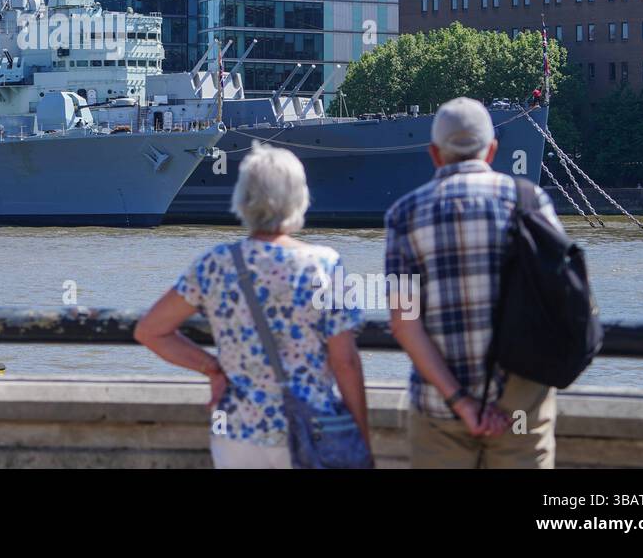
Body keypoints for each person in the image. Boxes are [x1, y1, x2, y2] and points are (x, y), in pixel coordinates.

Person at [135, 141, 370, 468]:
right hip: (310, 431)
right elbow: (345, 361)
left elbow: (150, 330)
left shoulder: (215, 264)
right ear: (300, 199)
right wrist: (362, 436)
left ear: (242, 199)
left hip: (237, 435)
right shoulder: (325, 265)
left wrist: (211, 367)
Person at [385, 96, 564, 468]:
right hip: (520, 405)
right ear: (492, 150)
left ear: (434, 153)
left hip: (440, 411)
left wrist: (461, 401)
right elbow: (563, 295)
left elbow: (403, 323)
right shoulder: (531, 201)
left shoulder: (404, 215)